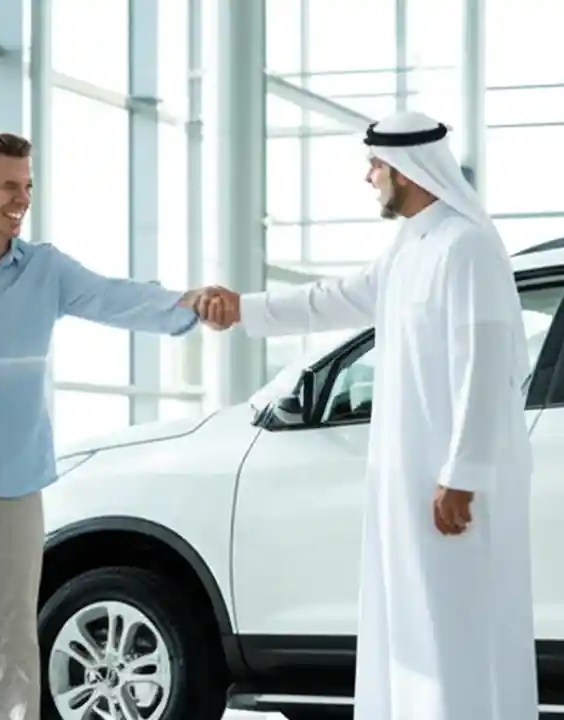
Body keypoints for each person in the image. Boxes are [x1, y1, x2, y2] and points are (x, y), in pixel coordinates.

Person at [196, 111, 538, 719]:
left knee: (455, 622)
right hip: (409, 477)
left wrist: (463, 474)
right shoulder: (411, 248)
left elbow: (486, 367)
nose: (369, 178)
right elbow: (332, 300)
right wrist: (241, 309)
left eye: (375, 165)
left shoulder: (468, 248)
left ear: (406, 170)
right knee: (410, 625)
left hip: (449, 484)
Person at [0, 132, 221, 719]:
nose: (22, 198)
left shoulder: (46, 269)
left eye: (28, 186)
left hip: (16, 478)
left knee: (14, 635)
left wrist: (190, 304)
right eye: (10, 185)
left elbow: (118, 298)